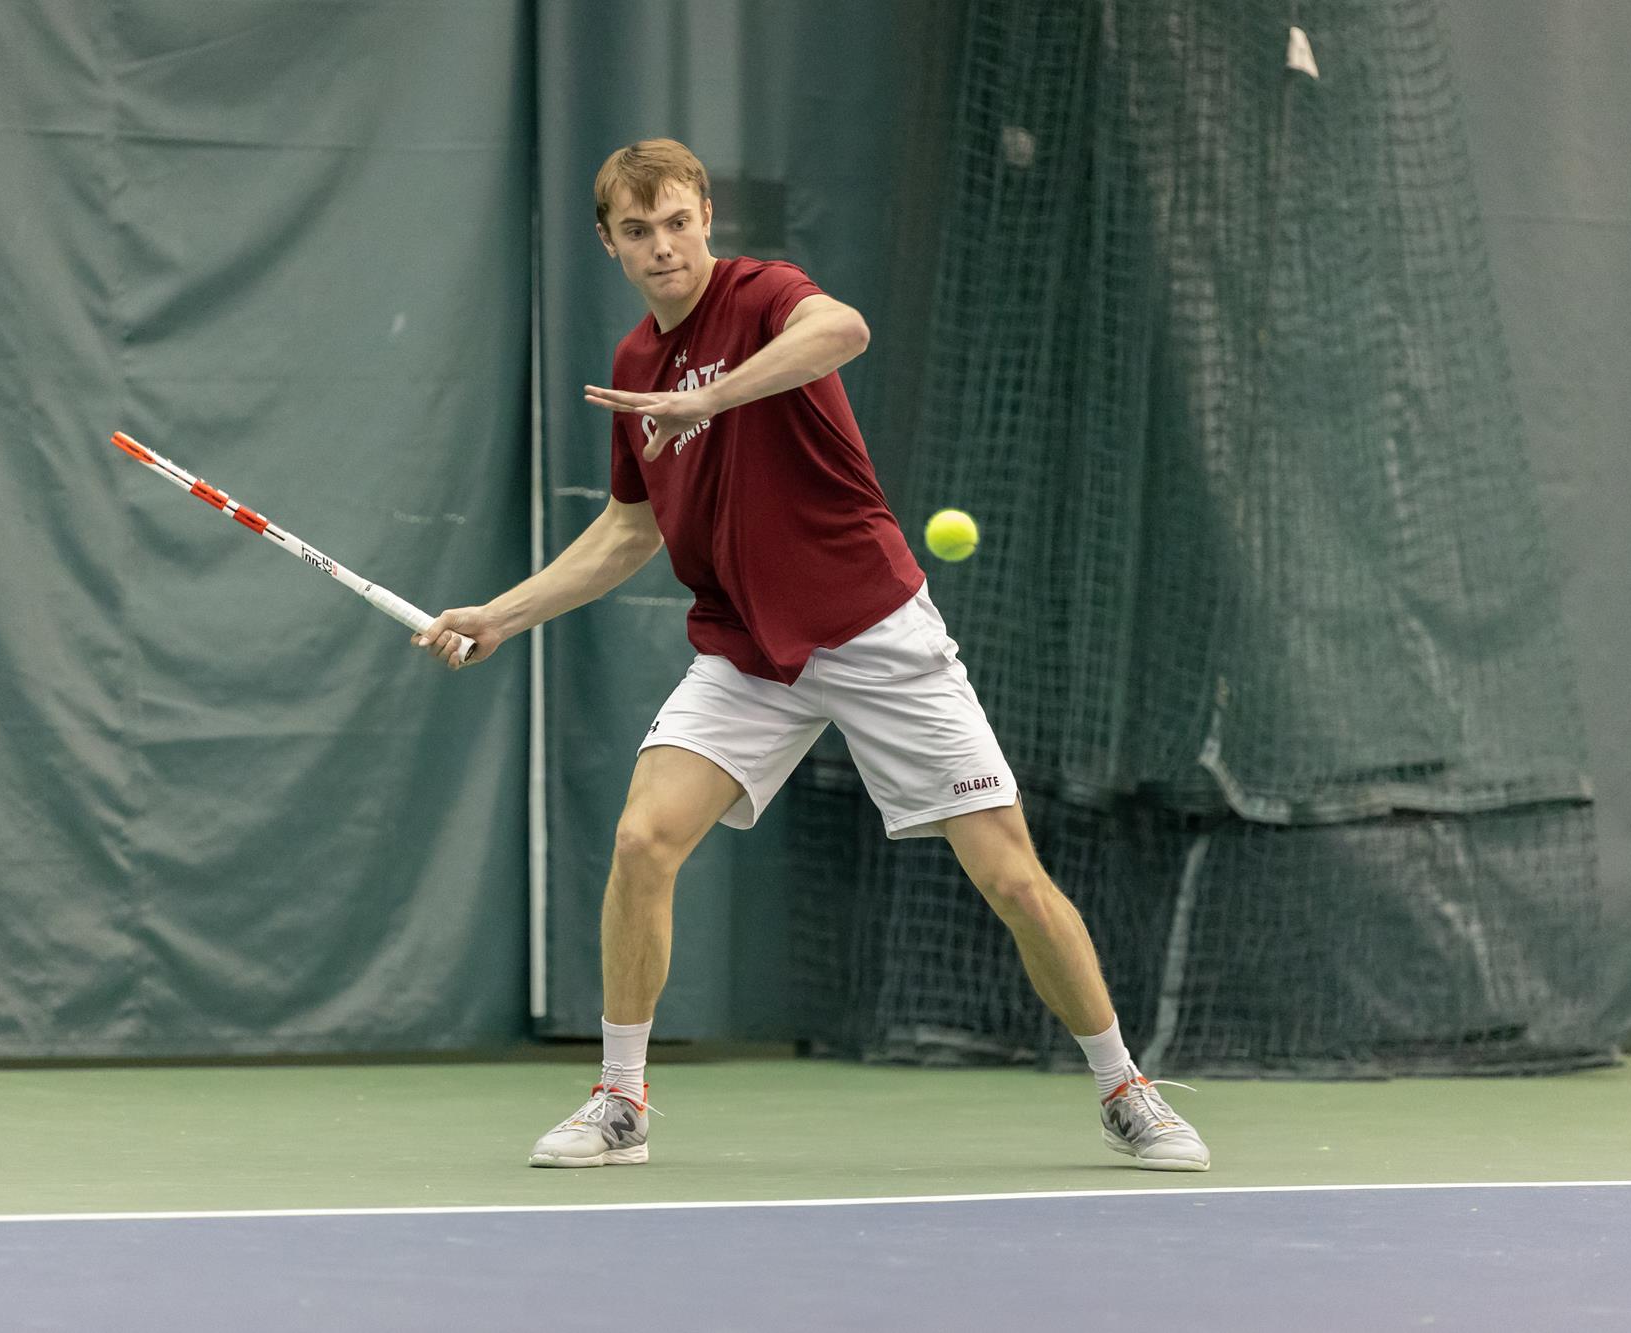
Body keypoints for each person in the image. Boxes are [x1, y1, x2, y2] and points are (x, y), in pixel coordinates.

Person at [414, 138, 1208, 1172]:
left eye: (678, 221)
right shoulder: (632, 368)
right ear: (608, 243)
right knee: (644, 839)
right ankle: (620, 1099)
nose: (664, 248)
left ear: (704, 214)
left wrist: (713, 396)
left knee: (1009, 877)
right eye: (638, 231)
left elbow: (844, 327)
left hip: (874, 630)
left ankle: (1122, 1087)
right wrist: (502, 613)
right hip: (748, 648)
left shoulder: (759, 297)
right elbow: (626, 531)